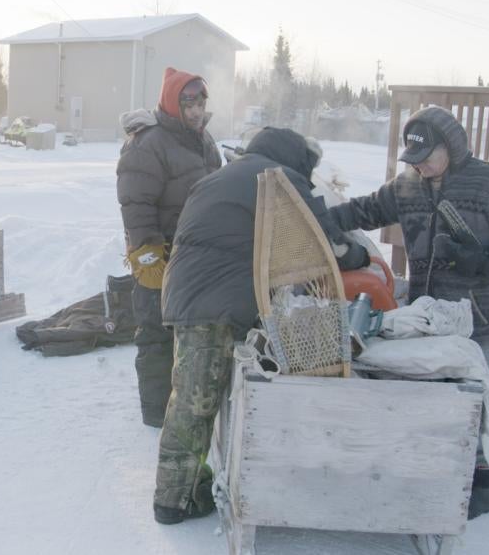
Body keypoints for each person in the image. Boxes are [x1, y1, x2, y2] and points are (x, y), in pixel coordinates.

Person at [326, 105, 489, 520]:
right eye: (414, 160)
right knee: (440, 401)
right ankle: (441, 477)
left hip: (479, 319)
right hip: (429, 317)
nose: (420, 167)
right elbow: (364, 210)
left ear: (451, 147)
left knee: (478, 400)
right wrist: (321, 219)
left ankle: (482, 487)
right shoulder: (408, 186)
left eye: (427, 158)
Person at [153, 127, 370, 525]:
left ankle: (187, 486)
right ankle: (171, 501)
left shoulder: (223, 176)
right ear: (297, 159)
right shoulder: (279, 180)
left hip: (189, 292)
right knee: (195, 401)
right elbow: (328, 244)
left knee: (195, 393)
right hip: (214, 303)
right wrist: (362, 254)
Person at [116, 67, 223, 428]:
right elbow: (135, 203)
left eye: (200, 102)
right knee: (155, 334)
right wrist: (146, 257)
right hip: (159, 254)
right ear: (172, 103)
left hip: (195, 255)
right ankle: (157, 416)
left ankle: (185, 406)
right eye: (187, 102)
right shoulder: (150, 142)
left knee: (188, 333)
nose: (195, 110)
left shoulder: (203, 140)